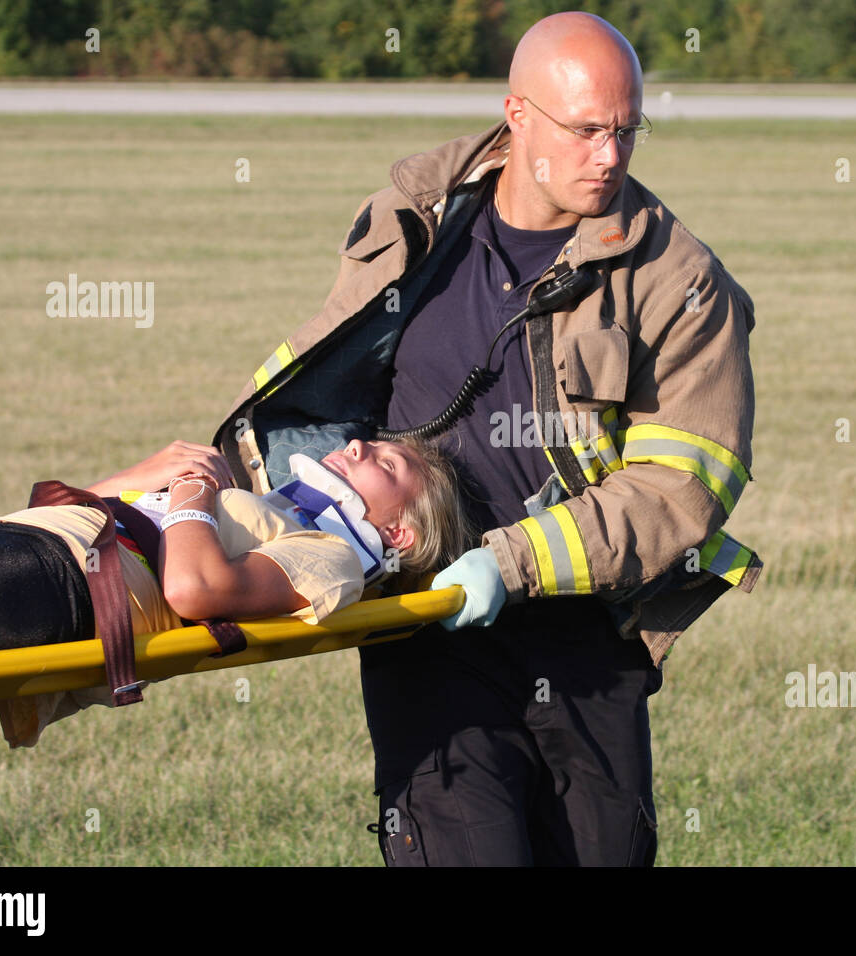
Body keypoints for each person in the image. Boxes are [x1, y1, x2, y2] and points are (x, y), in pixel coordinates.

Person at [213, 11, 762, 865]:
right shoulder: (412, 221)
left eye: (627, 131)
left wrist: (512, 563)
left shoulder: (682, 285)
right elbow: (321, 374)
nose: (610, 156)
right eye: (585, 130)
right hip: (428, 626)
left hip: (586, 642)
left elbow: (680, 492)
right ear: (517, 116)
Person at [0, 435, 471, 746]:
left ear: (398, 532)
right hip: (25, 553)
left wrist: (191, 489)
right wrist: (140, 477)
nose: (356, 447)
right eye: (365, 443)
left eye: (387, 463)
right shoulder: (275, 511)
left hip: (46, 585)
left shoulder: (333, 558)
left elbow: (193, 589)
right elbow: (92, 516)